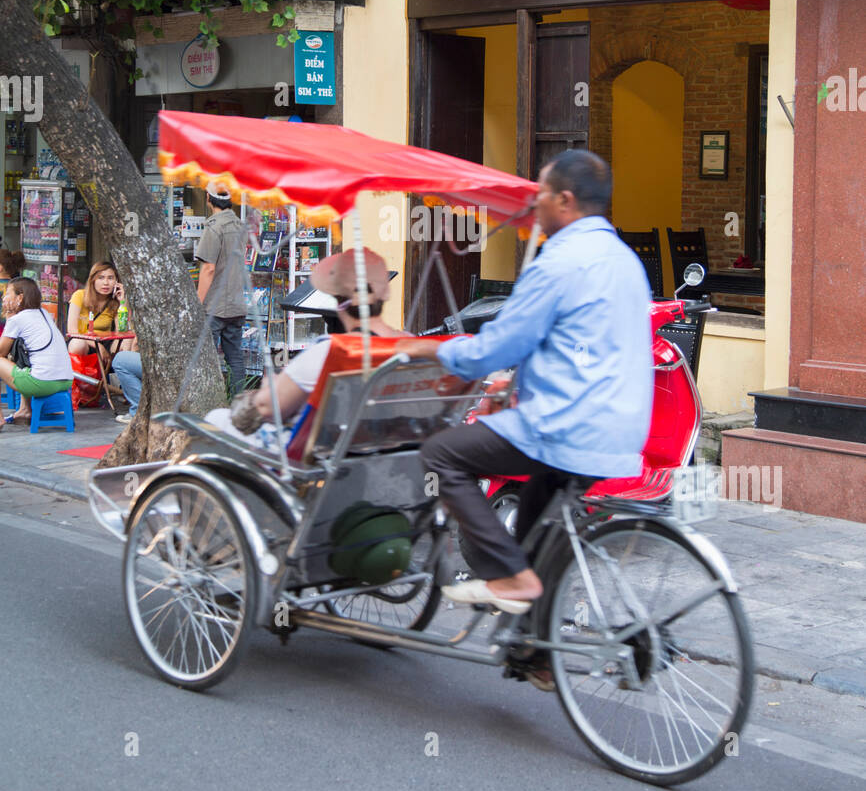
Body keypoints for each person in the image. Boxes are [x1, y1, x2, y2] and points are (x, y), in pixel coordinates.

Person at [397, 150, 654, 635]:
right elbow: (576, 347)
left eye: (540, 194)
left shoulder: (559, 262)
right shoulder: (624, 260)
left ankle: (511, 577)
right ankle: (536, 649)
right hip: (620, 429)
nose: (534, 204)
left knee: (442, 454)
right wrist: (510, 384)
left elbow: (492, 347)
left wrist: (426, 350)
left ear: (565, 199)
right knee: (539, 520)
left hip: (565, 425)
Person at [209, 248, 401, 442]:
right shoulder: (410, 346)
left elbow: (261, 411)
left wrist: (268, 388)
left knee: (215, 419)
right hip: (385, 446)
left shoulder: (329, 353)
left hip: (316, 455)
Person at [195, 181, 248, 396]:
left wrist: (197, 303)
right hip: (237, 303)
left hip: (215, 306)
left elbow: (208, 268)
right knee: (234, 357)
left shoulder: (214, 227)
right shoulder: (240, 226)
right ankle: (238, 402)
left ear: (208, 198)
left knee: (204, 358)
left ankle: (208, 400)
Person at [0, 276, 74, 427]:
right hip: (66, 380)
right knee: (23, 357)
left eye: (8, 293)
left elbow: (1, 351)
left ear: (19, 297)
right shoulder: (44, 313)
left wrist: (8, 316)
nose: (4, 297)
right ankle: (25, 410)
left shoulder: (17, 319)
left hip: (42, 383)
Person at [67, 262, 122, 361]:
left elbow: (121, 332)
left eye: (110, 278)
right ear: (93, 280)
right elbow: (72, 331)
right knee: (78, 344)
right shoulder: (79, 295)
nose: (106, 283)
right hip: (84, 342)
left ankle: (116, 372)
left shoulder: (115, 302)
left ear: (116, 281)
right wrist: (98, 346)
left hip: (106, 343)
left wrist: (122, 302)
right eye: (101, 278)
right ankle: (78, 375)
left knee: (126, 343)